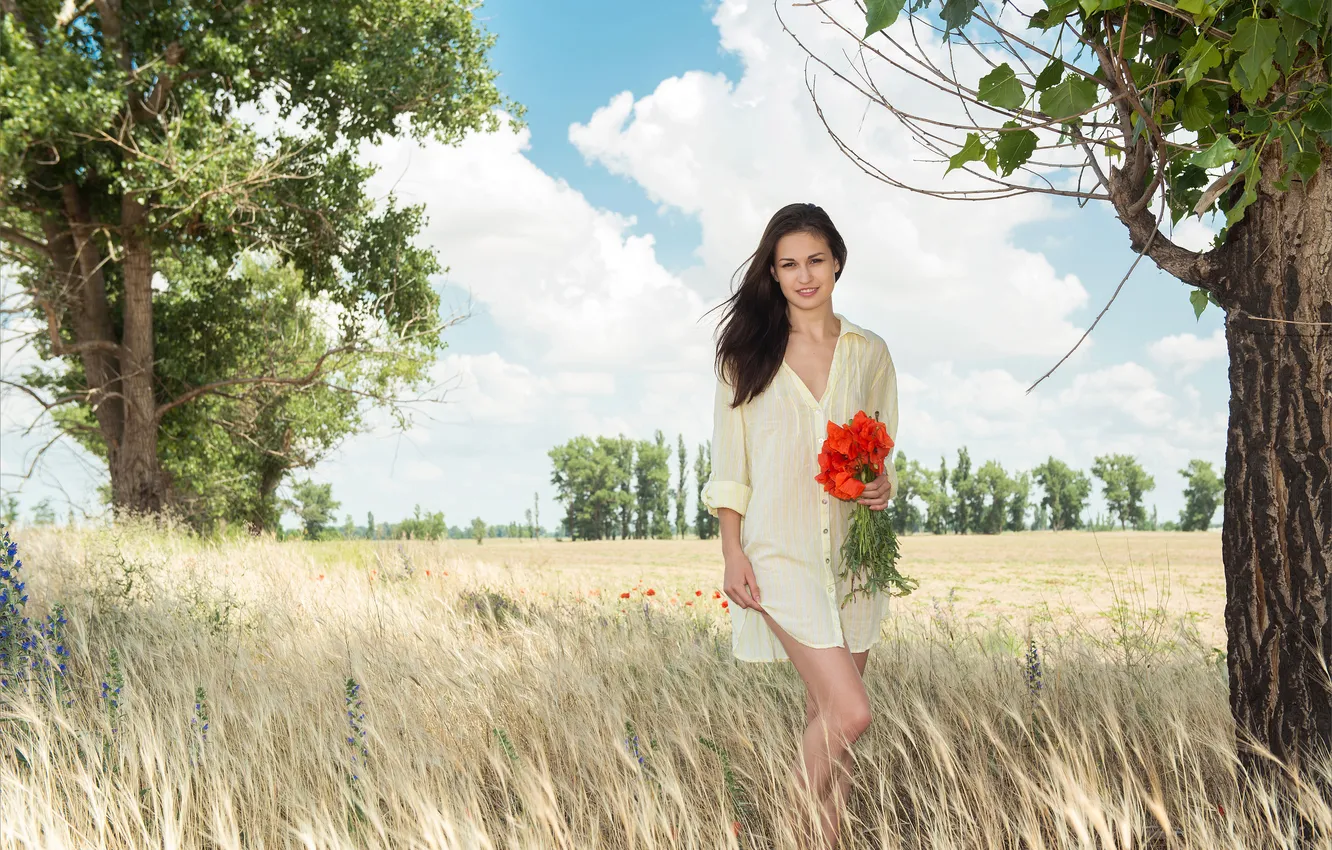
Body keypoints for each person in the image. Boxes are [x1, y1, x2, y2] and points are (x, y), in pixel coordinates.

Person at [701, 202, 899, 848]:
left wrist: (881, 483)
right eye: (789, 264)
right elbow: (731, 465)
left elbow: (880, 453)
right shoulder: (745, 356)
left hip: (855, 557)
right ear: (774, 273)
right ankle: (785, 833)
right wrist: (732, 551)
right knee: (852, 712)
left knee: (829, 725)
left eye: (815, 260)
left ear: (837, 261)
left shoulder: (870, 353)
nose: (804, 275)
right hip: (780, 554)